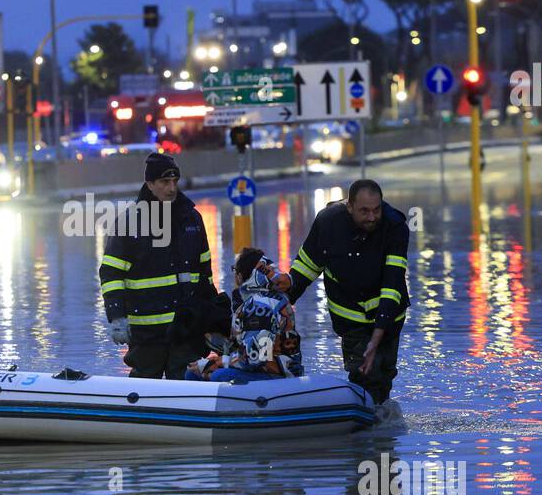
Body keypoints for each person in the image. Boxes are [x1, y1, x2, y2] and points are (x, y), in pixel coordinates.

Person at [274, 179, 410, 418]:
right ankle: (367, 441)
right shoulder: (328, 223)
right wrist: (282, 302)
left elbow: (393, 282)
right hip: (351, 319)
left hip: (389, 318)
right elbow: (307, 267)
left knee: (384, 375)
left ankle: (382, 441)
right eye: (364, 211)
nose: (371, 217)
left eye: (376, 210)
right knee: (366, 376)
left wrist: (377, 336)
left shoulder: (395, 225)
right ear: (350, 207)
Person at [100, 152, 215, 379]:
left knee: (187, 390)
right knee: (143, 390)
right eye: (164, 182)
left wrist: (213, 318)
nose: (172, 188)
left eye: (175, 181)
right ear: (150, 184)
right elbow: (111, 273)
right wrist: (117, 317)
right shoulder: (130, 222)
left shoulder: (192, 220)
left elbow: (205, 274)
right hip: (146, 333)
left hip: (187, 330)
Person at [187, 249, 304, 383]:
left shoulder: (260, 306)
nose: (235, 275)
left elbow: (256, 357)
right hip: (265, 368)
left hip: (277, 374)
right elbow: (245, 346)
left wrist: (221, 362)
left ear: (245, 276)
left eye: (236, 270)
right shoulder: (260, 300)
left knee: (219, 375)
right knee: (195, 372)